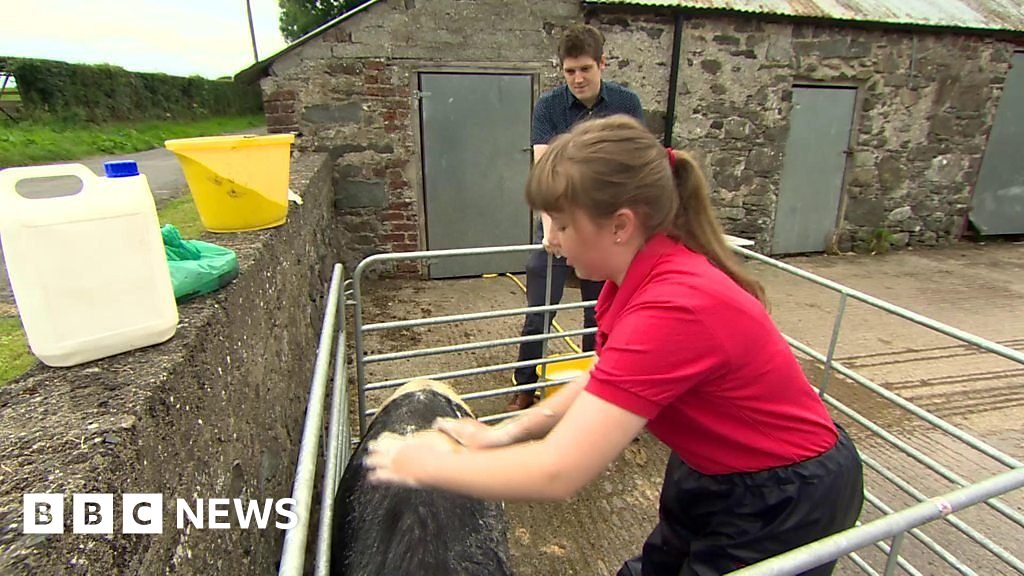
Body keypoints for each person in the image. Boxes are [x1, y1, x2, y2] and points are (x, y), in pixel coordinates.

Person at [364, 115, 865, 576]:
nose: (551, 241)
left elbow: (558, 473)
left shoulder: (675, 305)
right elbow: (603, 379)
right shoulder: (631, 282)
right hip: (712, 468)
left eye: (562, 224)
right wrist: (505, 433)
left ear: (621, 226)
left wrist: (428, 465)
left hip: (784, 493)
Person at [510, 23, 645, 411]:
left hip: (604, 226)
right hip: (557, 222)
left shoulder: (626, 104)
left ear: (602, 64)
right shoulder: (549, 107)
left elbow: (634, 168)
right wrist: (552, 230)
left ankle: (596, 392)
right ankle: (526, 385)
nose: (578, 78)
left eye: (586, 68)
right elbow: (543, 169)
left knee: (598, 316)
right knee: (539, 312)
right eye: (570, 71)